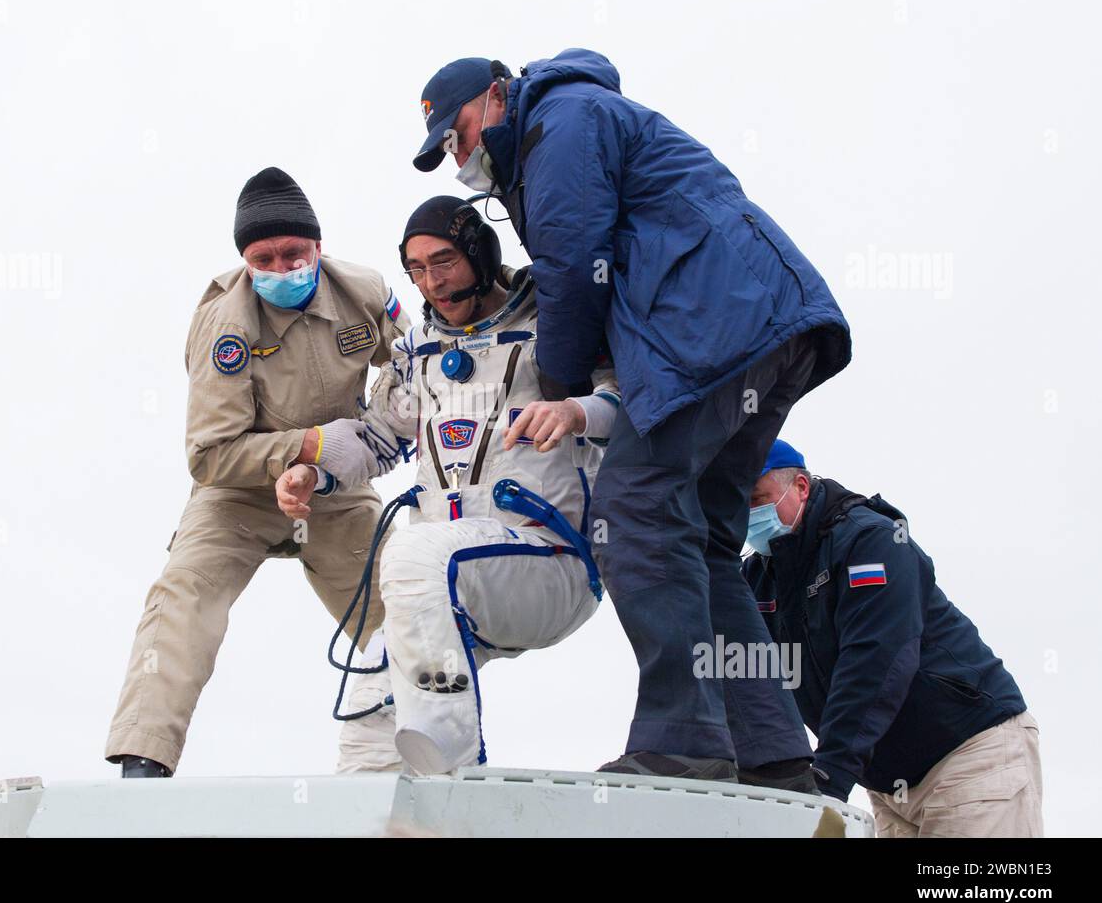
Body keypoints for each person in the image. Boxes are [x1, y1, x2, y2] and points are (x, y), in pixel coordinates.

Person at [410, 50, 852, 788]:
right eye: (446, 152)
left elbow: (574, 261)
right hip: (760, 327)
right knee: (706, 540)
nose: (460, 157)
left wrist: (561, 385)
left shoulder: (559, 123)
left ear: (495, 96)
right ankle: (772, 754)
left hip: (718, 328)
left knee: (635, 508)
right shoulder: (560, 131)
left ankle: (682, 738)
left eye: (457, 135)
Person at [275, 196, 619, 774]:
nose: (431, 283)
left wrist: (576, 413)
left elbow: (626, 399)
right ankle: (392, 820)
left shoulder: (551, 325)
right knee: (368, 707)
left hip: (547, 559)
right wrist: (313, 468)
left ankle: (450, 752)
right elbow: (380, 434)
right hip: (448, 586)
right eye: (416, 270)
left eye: (444, 263)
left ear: (480, 255)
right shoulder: (416, 352)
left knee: (410, 557)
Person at [104, 167, 409, 777]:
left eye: (294, 252)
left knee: (407, 603)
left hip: (335, 491)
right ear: (245, 260)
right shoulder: (225, 325)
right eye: (263, 258)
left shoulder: (366, 291)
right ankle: (142, 764)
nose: (281, 267)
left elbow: (418, 361)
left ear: (318, 246)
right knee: (183, 595)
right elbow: (208, 454)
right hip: (237, 493)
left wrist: (366, 440)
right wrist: (307, 448)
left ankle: (433, 756)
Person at [743, 439, 1042, 836]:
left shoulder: (870, 541)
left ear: (800, 486)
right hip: (886, 786)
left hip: (971, 757)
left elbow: (875, 662)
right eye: (740, 505)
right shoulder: (760, 577)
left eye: (758, 500)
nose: (749, 516)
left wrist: (828, 780)